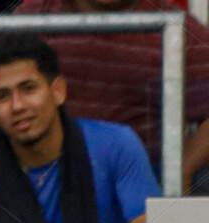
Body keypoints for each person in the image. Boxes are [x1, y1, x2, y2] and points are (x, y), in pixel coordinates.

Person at [0, 35, 159, 223]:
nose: (17, 106)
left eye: (29, 89)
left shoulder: (117, 146)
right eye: (3, 96)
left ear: (58, 91)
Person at [11, 0, 209, 187]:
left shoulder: (176, 25)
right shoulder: (33, 15)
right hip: (46, 177)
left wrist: (181, 170)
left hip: (139, 181)